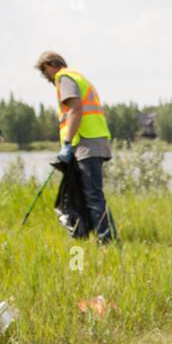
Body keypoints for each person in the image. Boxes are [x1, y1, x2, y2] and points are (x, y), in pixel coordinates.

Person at [35, 51, 116, 243]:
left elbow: (75, 109)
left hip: (87, 143)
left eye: (44, 71)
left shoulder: (64, 77)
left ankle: (107, 241)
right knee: (88, 194)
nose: (45, 77)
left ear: (52, 65)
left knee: (93, 195)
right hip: (91, 141)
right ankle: (93, 236)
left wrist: (67, 143)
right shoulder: (77, 77)